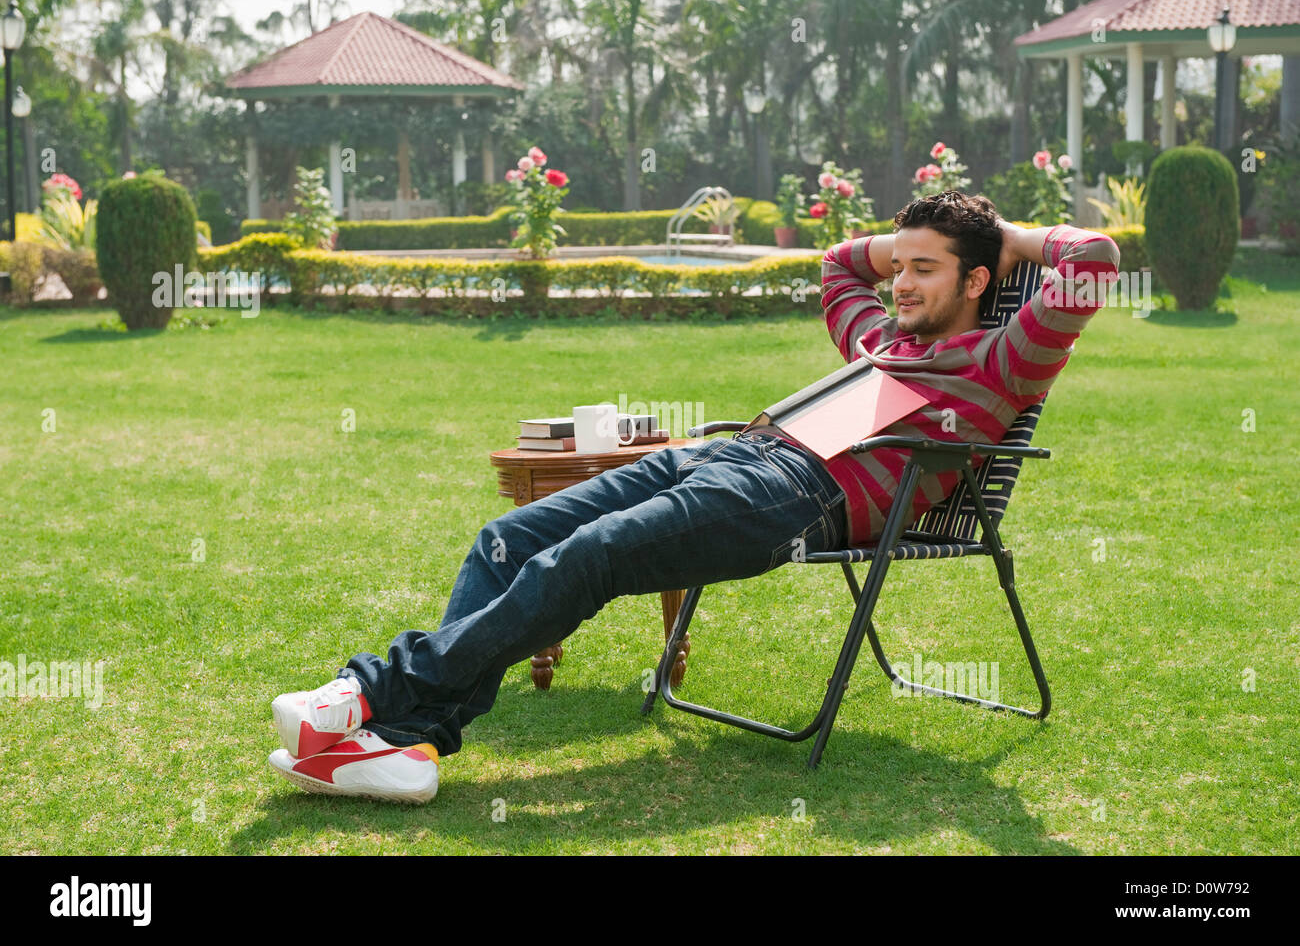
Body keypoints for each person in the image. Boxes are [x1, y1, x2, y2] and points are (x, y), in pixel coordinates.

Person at [268, 191, 1120, 803]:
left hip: (796, 492)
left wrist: (1004, 236)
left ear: (979, 281)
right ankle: (409, 746)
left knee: (589, 557)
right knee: (507, 536)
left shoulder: (1002, 364)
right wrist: (921, 240)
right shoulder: (880, 340)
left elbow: (1095, 258)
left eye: (924, 271)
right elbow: (836, 264)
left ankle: (369, 694)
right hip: (726, 453)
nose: (898, 284)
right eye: (899, 269)